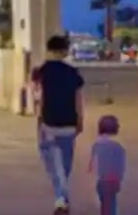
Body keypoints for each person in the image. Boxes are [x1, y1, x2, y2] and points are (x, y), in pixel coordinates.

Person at [33, 34, 85, 214]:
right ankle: (62, 197)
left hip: (49, 123)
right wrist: (80, 119)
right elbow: (78, 99)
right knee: (65, 164)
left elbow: (39, 98)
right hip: (69, 123)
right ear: (64, 51)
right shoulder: (73, 72)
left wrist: (38, 119)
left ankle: (61, 199)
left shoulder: (41, 71)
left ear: (49, 50)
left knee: (53, 165)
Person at [88, 114, 126, 215]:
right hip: (114, 179)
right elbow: (121, 164)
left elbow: (93, 163)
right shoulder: (119, 145)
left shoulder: (97, 144)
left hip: (102, 179)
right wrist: (120, 177)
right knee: (112, 201)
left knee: (104, 203)